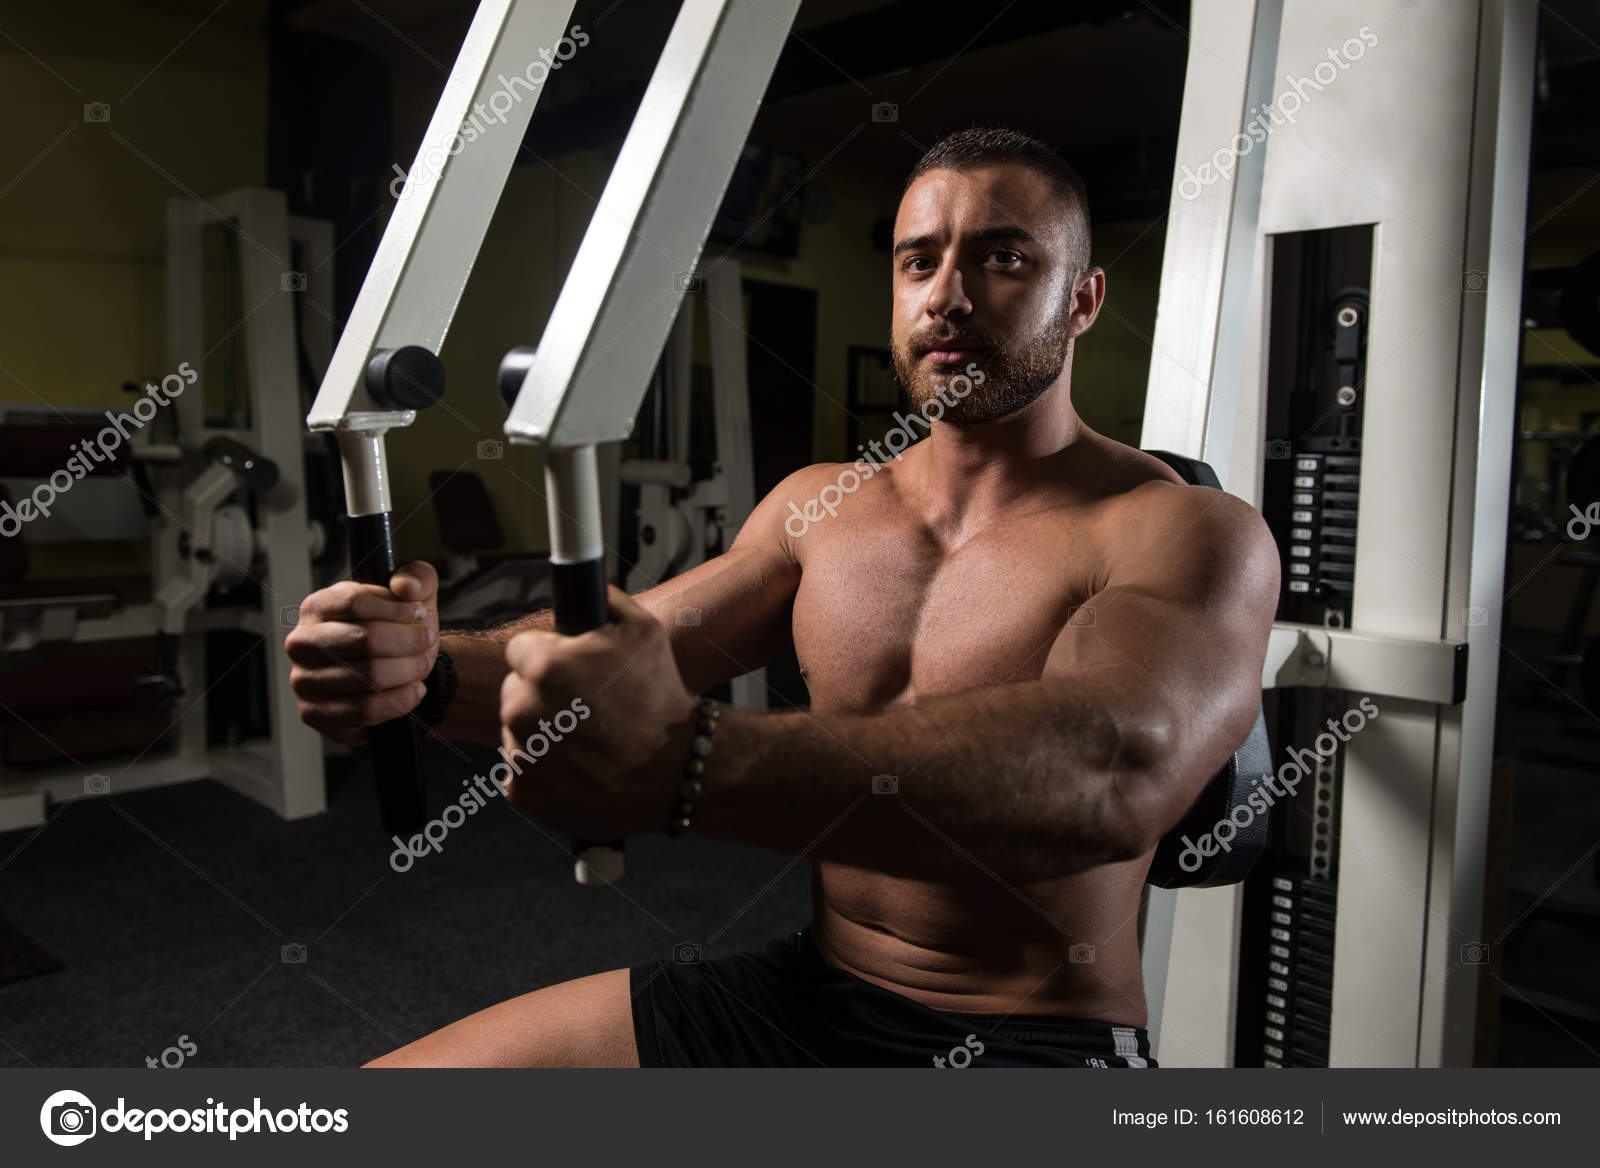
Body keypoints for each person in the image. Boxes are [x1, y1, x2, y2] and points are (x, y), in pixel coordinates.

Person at [284, 127, 1280, 1068]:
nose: (948, 295)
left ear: (1084, 299)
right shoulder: (821, 509)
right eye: (917, 260)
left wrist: (689, 760)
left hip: (1032, 1043)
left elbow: (1113, 769)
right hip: (803, 995)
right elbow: (616, 656)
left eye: (1004, 258)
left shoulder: (1183, 528)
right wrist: (420, 671)